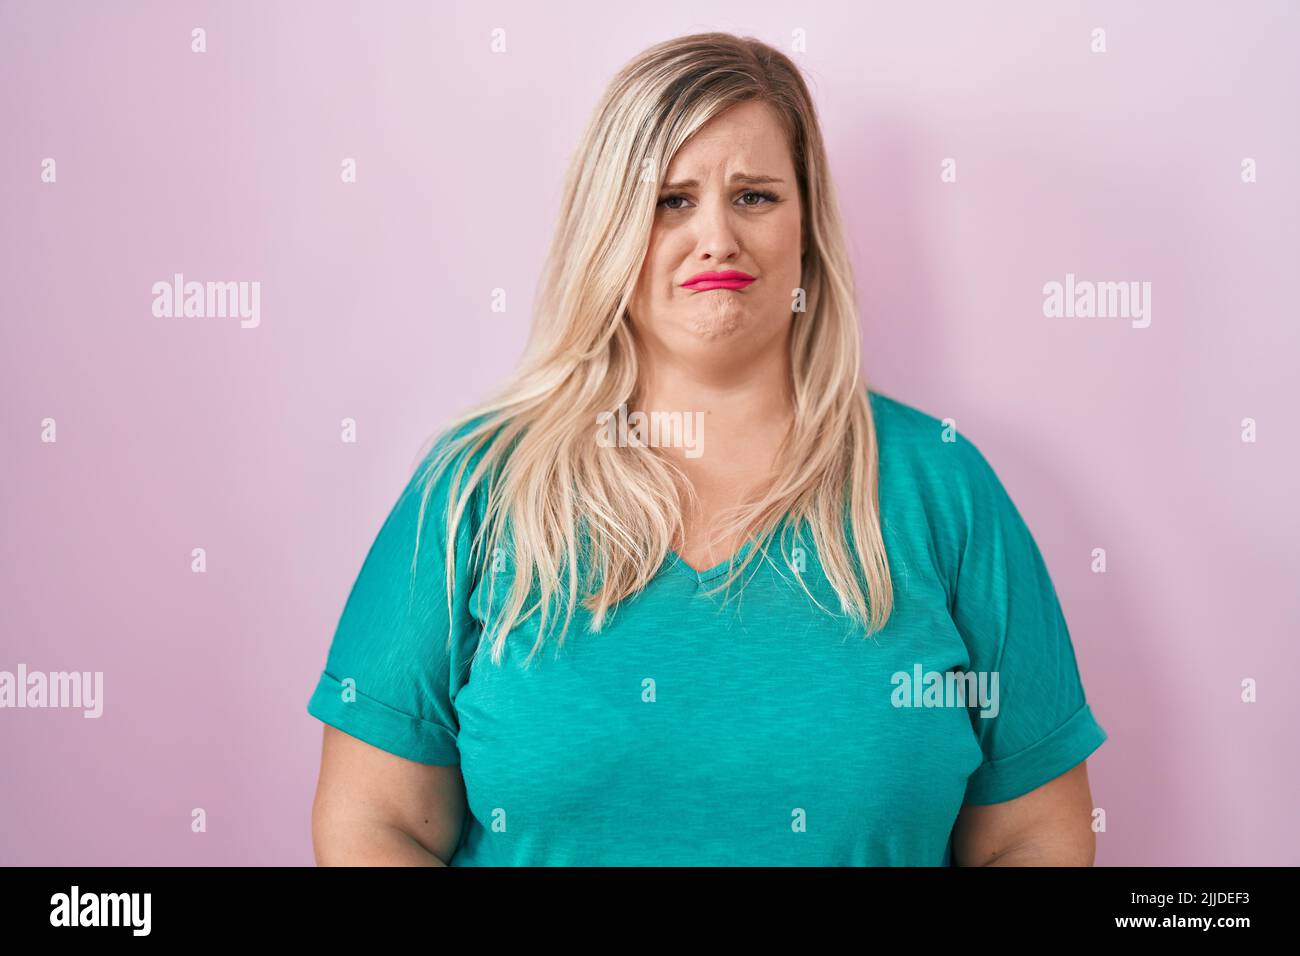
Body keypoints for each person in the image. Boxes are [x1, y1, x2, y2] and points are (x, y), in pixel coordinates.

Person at [307, 31, 1107, 866]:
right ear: (609, 229)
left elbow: (1032, 833)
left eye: (755, 196)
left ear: (806, 226)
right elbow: (376, 822)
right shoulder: (472, 489)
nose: (717, 237)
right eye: (671, 200)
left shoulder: (942, 486)